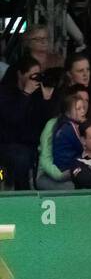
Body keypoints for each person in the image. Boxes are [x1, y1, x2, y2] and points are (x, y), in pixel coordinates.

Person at [0, 56, 56, 189]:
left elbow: (46, 122)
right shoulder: (5, 93)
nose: (36, 80)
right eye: (33, 76)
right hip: (9, 144)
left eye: (38, 76)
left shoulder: (37, 94)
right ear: (20, 75)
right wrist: (25, 94)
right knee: (21, 157)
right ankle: (23, 194)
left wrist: (46, 100)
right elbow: (12, 119)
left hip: (33, 143)